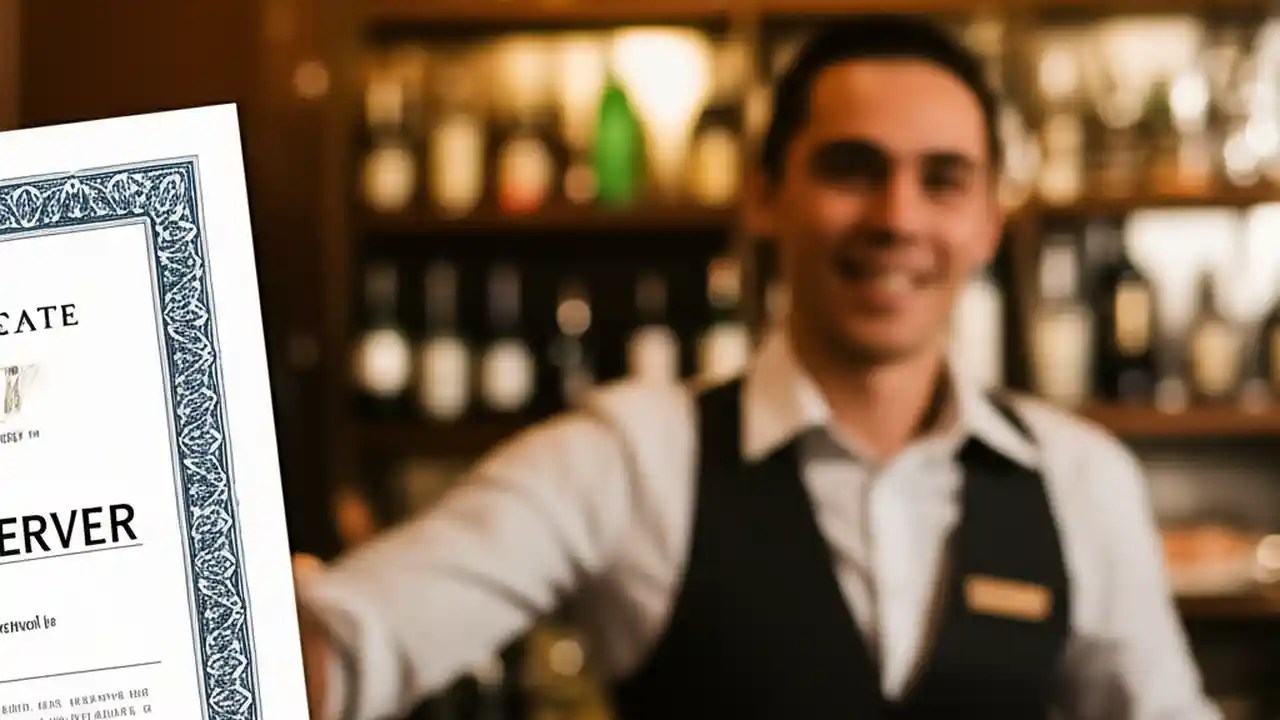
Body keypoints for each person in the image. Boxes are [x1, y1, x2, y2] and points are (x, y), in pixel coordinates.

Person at [293, 14, 1220, 720]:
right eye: (852, 168)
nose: (897, 218)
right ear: (765, 196)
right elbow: (355, 648)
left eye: (942, 179)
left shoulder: (1080, 475)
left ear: (987, 223)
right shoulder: (631, 454)